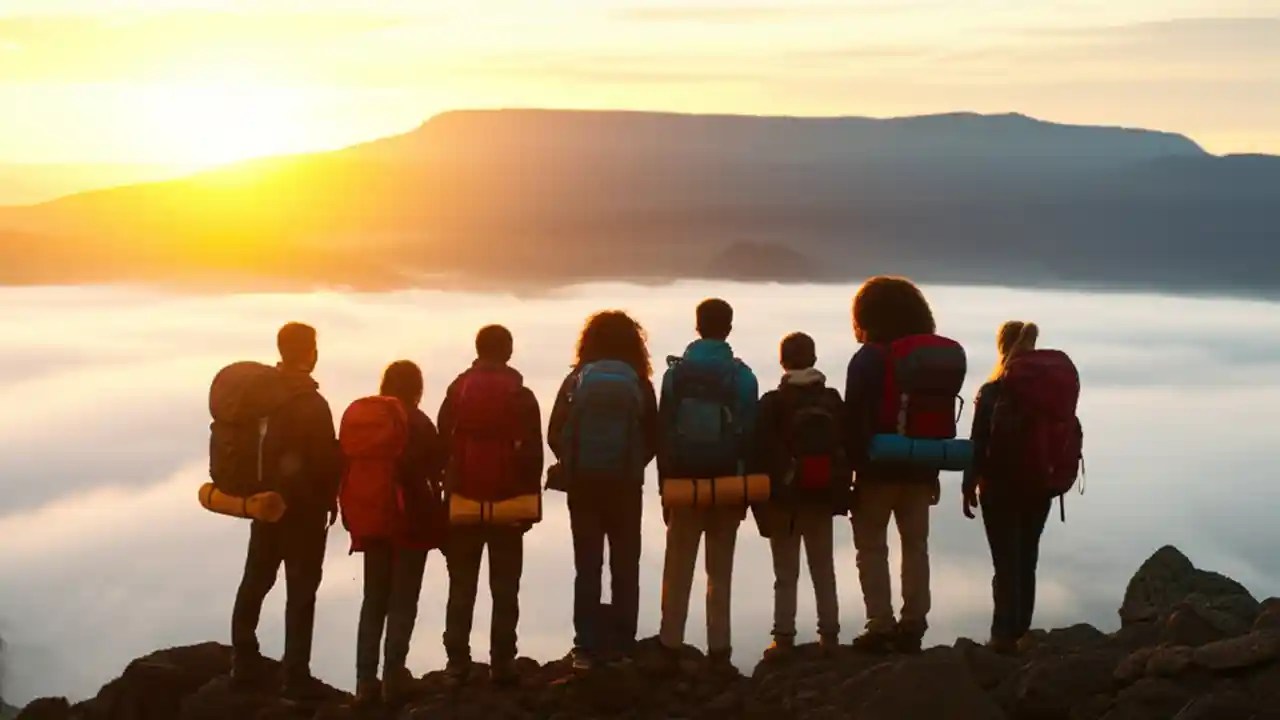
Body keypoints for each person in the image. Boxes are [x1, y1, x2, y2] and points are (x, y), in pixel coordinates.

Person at [230, 322, 342, 701]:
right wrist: (331, 499)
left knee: (256, 580)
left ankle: (242, 659)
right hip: (304, 514)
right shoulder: (312, 403)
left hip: (264, 505)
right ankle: (295, 676)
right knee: (300, 593)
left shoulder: (258, 394)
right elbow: (326, 461)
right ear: (308, 351)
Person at [548, 311, 659, 671]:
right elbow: (654, 436)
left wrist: (574, 461)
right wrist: (631, 463)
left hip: (583, 487)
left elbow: (554, 432)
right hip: (625, 487)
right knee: (625, 564)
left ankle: (586, 647)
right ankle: (623, 645)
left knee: (588, 566)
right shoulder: (639, 382)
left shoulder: (576, 380)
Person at [437, 325, 543, 685]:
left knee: (461, 586)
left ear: (478, 350)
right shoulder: (521, 395)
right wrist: (528, 505)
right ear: (508, 352)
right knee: (505, 587)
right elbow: (532, 454)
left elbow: (441, 446)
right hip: (508, 505)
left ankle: (456, 662)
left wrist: (447, 493)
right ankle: (502, 663)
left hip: (463, 502)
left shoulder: (457, 390)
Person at [657, 298, 759, 671]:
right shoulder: (742, 376)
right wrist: (744, 485)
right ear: (729, 328)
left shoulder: (676, 376)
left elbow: (664, 430)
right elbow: (750, 432)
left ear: (696, 327)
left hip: (684, 481)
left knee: (678, 565)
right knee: (720, 569)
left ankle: (670, 641)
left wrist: (664, 487)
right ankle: (720, 648)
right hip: (728, 481)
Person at [844, 277, 941, 654]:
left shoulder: (868, 358)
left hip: (877, 468)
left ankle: (880, 624)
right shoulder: (924, 357)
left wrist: (853, 469)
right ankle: (914, 622)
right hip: (919, 468)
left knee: (871, 547)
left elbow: (855, 419)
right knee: (916, 546)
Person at [350, 361, 446, 706]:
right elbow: (436, 469)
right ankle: (393, 677)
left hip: (373, 522)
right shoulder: (418, 423)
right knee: (403, 602)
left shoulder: (369, 421)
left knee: (373, 600)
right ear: (417, 390)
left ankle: (364, 681)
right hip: (409, 526)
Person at [753, 332, 847, 660]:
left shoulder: (773, 403)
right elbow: (844, 448)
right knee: (824, 568)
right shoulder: (832, 399)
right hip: (822, 496)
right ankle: (830, 636)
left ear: (783, 362)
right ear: (814, 359)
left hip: (784, 500)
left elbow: (760, 453)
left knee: (785, 573)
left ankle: (783, 638)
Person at [963, 322, 1053, 654]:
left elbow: (978, 441)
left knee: (1005, 562)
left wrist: (968, 484)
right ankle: (1021, 632)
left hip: (999, 486)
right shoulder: (1046, 392)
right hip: (1040, 486)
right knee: (1027, 558)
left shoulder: (992, 391)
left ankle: (1002, 636)